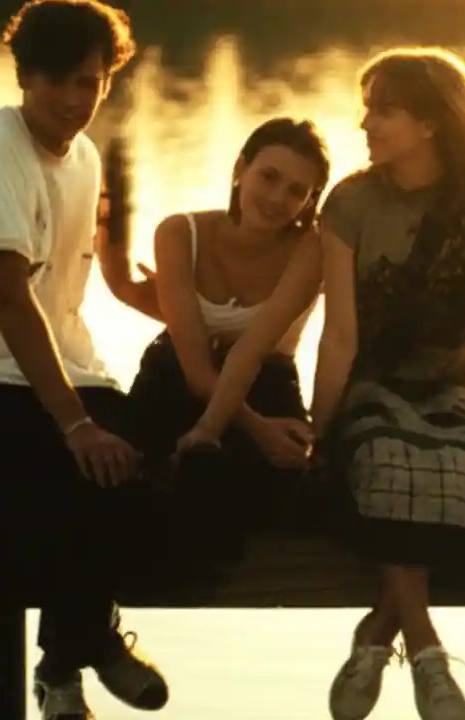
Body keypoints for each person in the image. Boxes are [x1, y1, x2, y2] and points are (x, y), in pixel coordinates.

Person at [179, 46, 465, 720]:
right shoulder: (353, 202)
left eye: (383, 110)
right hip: (373, 382)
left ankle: (377, 634)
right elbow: (340, 335)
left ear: (429, 123)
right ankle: (426, 650)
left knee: (457, 464)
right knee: (390, 456)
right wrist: (323, 427)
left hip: (456, 382)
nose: (365, 123)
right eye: (368, 109)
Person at [0, 2, 169, 718]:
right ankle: (95, 645)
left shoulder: (83, 157)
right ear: (24, 76)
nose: (75, 101)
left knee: (150, 454)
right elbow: (11, 302)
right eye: (58, 81)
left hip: (60, 375)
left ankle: (61, 658)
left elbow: (74, 301)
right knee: (77, 462)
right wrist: (78, 426)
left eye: (91, 82)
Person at [99, 119, 328, 558]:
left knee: (250, 489)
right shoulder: (180, 233)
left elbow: (250, 352)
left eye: (297, 191)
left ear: (309, 201)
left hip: (266, 385)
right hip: (177, 381)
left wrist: (271, 430)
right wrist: (257, 430)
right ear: (240, 167)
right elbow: (197, 369)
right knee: (123, 483)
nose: (279, 198)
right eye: (269, 177)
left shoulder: (310, 249)